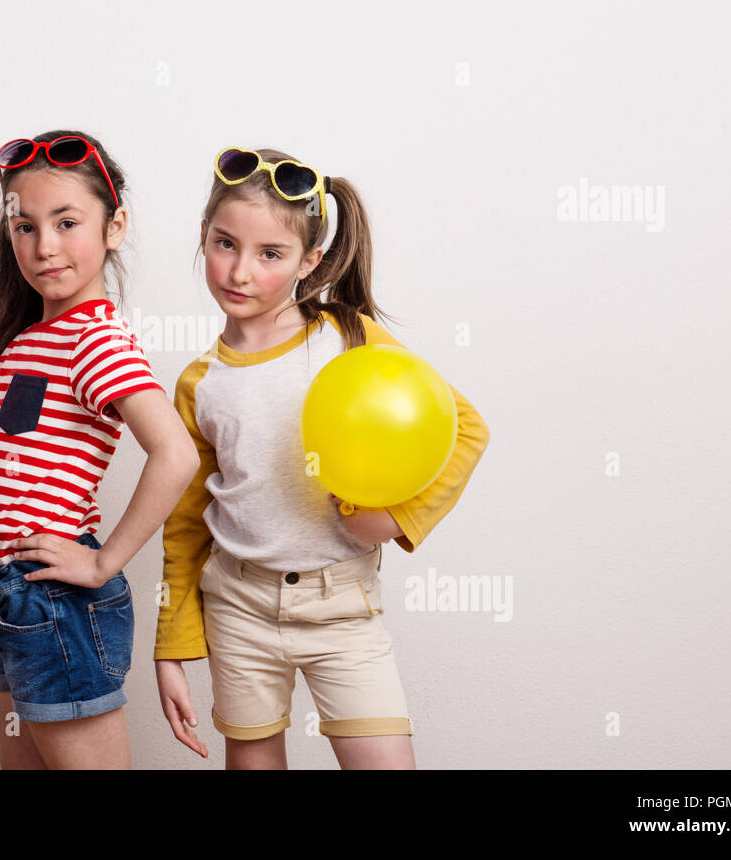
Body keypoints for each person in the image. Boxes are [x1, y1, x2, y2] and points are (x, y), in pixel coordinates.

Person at [153, 146, 490, 769]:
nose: (240, 272)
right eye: (225, 244)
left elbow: (465, 427)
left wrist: (397, 518)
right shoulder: (200, 383)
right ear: (202, 237)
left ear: (310, 261)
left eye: (270, 254)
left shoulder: (349, 337)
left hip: (344, 611)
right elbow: (184, 523)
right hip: (239, 610)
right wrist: (170, 645)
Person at [0, 130, 199, 769]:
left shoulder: (95, 340)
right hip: (11, 602)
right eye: (24, 227)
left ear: (115, 228)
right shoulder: (31, 342)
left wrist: (104, 561)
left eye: (66, 222)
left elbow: (177, 454)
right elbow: (24, 476)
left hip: (54, 603)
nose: (44, 246)